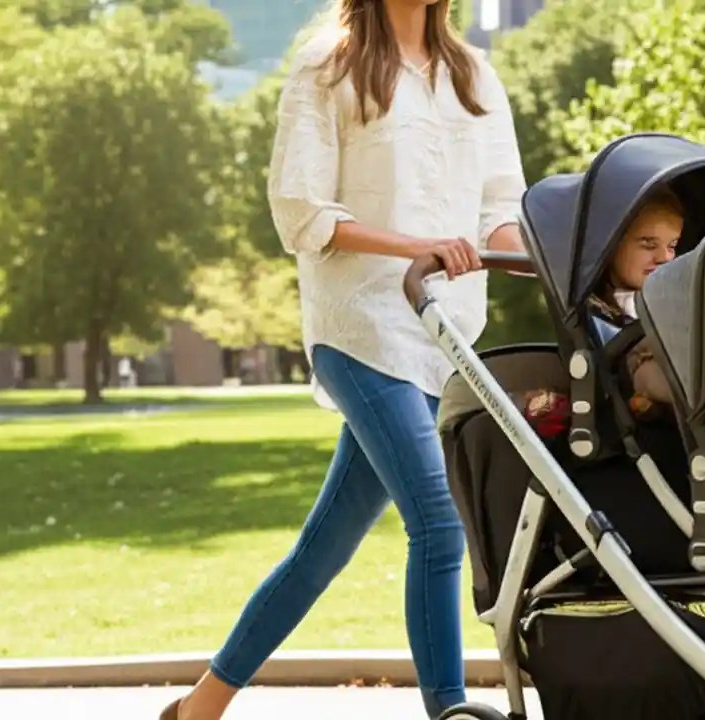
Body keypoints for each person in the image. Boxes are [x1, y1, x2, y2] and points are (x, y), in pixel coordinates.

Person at [160, 1, 527, 718]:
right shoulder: (327, 66)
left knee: (323, 550)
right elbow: (301, 207)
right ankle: (448, 710)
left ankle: (200, 706)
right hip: (358, 325)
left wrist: (527, 254)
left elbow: (499, 201)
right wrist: (414, 248)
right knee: (438, 520)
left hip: (442, 334)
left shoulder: (473, 74)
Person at [520, 189, 682, 435]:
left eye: (672, 246)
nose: (664, 257)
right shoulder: (593, 312)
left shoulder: (676, 300)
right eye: (648, 244)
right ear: (610, 246)